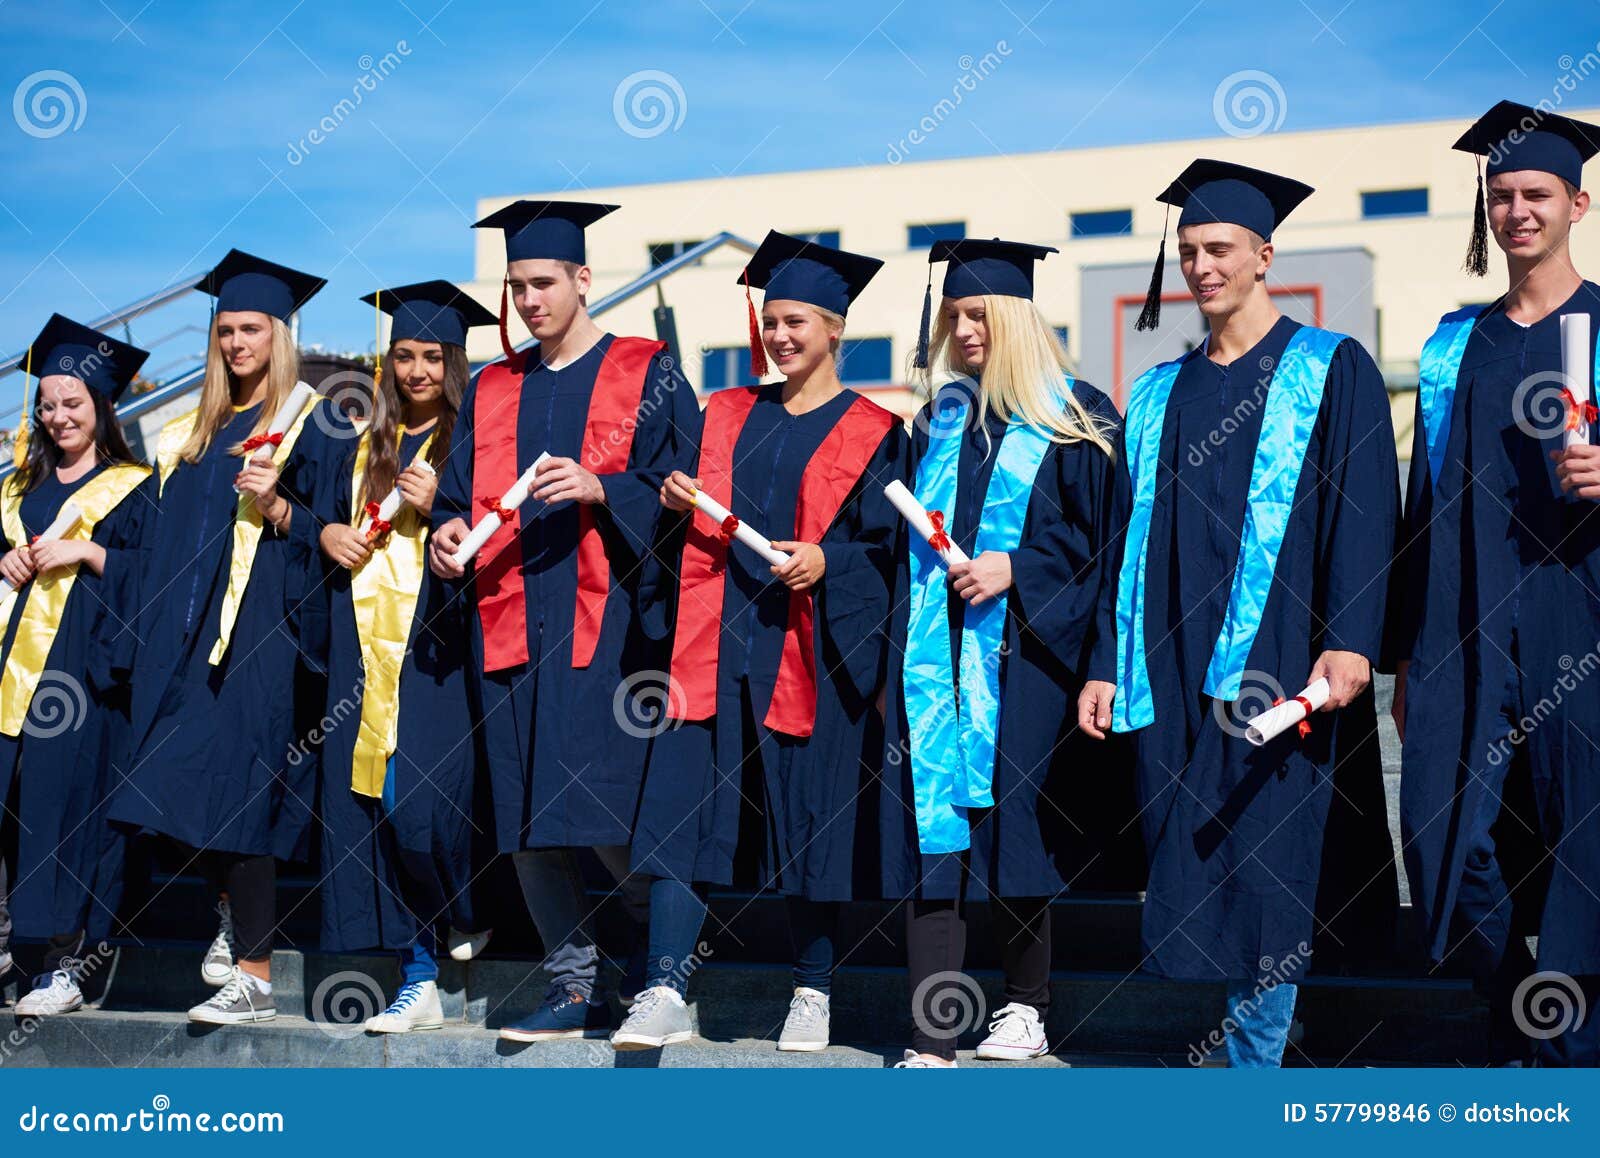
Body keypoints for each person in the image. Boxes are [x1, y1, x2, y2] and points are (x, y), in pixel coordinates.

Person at [1078, 160, 1399, 1068]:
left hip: (1278, 651)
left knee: (1266, 846)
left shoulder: (1330, 367)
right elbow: (1122, 539)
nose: (1202, 266)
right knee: (1192, 837)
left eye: (1220, 248)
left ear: (1265, 256)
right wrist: (1105, 660)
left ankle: (1255, 1055)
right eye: (1189, 251)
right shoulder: (1157, 391)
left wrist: (1350, 639)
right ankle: (1262, 1033)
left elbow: (1366, 511)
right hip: (1166, 655)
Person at [618, 232, 905, 1052]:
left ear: (835, 330)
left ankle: (813, 990)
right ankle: (664, 987)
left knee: (811, 817)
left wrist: (830, 561)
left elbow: (891, 550)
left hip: (811, 652)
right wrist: (672, 501)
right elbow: (676, 522)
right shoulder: (726, 413)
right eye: (771, 321)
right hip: (713, 643)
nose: (779, 336)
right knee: (681, 807)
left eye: (796, 323)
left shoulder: (876, 430)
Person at [428, 201, 697, 1041]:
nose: (529, 300)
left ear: (583, 279)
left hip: (610, 629)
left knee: (613, 812)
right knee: (528, 821)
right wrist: (445, 534)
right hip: (510, 627)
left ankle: (661, 979)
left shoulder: (647, 371)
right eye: (517, 286)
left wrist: (603, 488)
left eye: (543, 282)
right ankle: (573, 986)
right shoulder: (493, 388)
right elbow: (457, 496)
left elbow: (687, 489)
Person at [883, 239, 1126, 1068]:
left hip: (1029, 662)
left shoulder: (1077, 418)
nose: (964, 330)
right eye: (955, 316)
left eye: (981, 315)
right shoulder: (937, 422)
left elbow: (1107, 550)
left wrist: (1017, 567)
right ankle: (931, 1034)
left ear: (1019, 319)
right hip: (933, 662)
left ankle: (1026, 1008)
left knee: (1012, 831)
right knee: (936, 833)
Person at [1396, 101, 1600, 1067]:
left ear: (1577, 205)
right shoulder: (1454, 346)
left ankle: (1564, 1052)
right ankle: (1517, 999)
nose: (1517, 211)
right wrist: (1405, 653)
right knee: (1442, 831)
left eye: (1537, 195)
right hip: (1463, 618)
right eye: (1503, 194)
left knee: (1581, 837)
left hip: (1579, 617)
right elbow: (1422, 505)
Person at [108, 250, 328, 1025]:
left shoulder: (311, 422)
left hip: (262, 637)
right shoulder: (188, 435)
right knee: (162, 787)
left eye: (252, 329)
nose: (236, 343)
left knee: (239, 796)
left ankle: (256, 979)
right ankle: (232, 916)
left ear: (280, 334)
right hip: (184, 639)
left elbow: (332, 531)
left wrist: (280, 507)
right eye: (226, 330)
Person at [304, 281, 500, 1033]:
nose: (417, 371)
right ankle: (417, 974)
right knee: (375, 808)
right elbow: (316, 526)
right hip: (361, 651)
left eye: (433, 357)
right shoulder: (359, 446)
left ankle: (469, 909)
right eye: (405, 356)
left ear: (454, 364)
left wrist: (442, 504)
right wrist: (324, 533)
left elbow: (497, 536)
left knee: (424, 806)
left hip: (439, 647)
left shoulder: (475, 443)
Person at [0, 316, 153, 1016]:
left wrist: (89, 553)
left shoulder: (134, 487)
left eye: (72, 403)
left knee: (67, 816)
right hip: (9, 672)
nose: (58, 416)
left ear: (102, 407)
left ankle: (63, 966)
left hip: (83, 676)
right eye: (47, 404)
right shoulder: (16, 491)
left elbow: (158, 578)